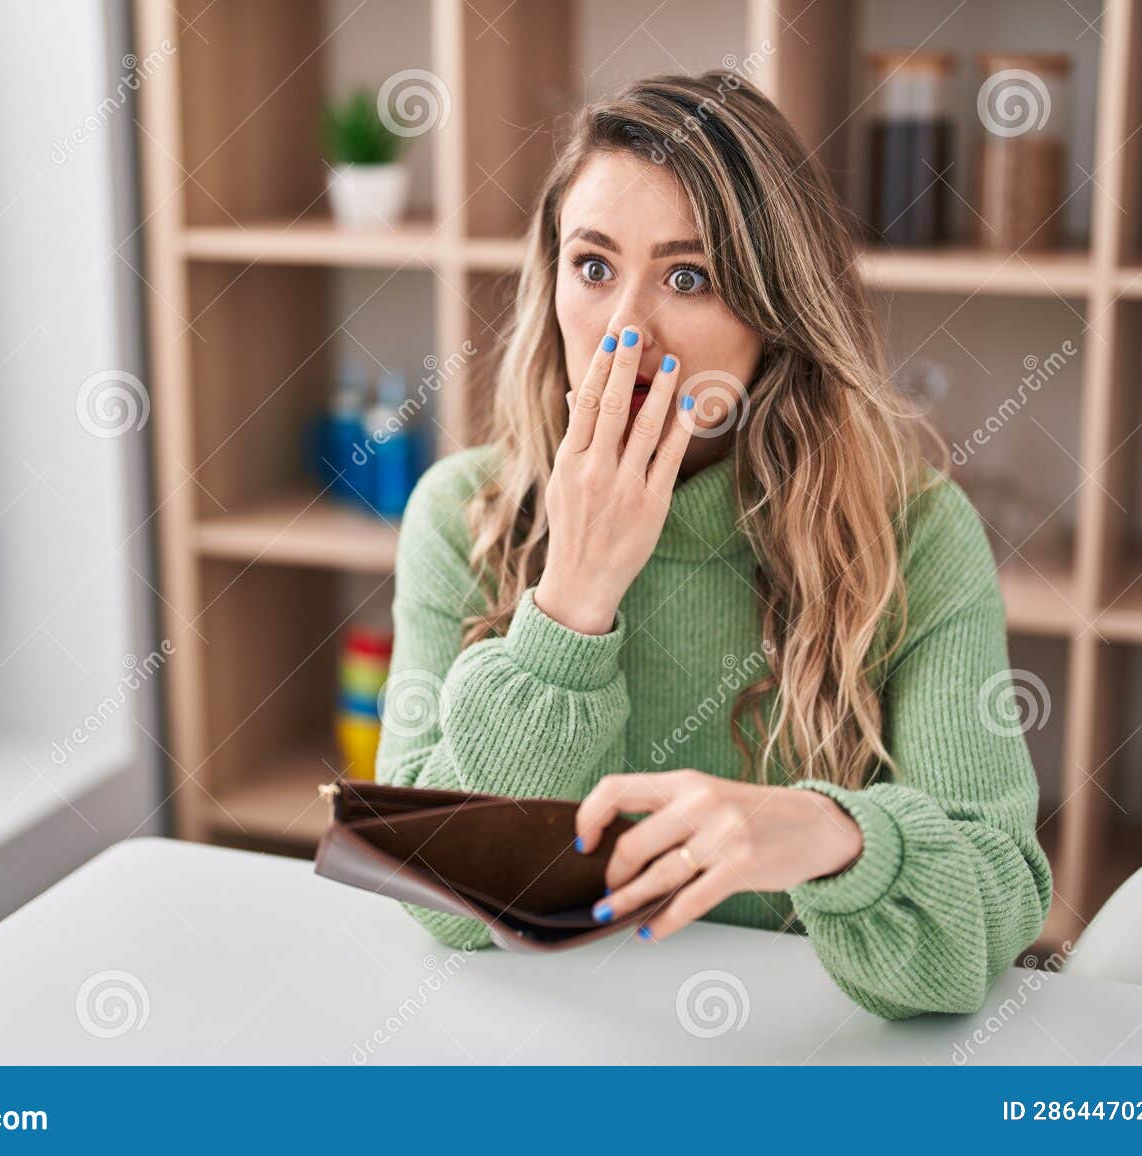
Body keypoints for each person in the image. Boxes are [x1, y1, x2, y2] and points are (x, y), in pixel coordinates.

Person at [375, 72, 1051, 1020]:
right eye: (593, 267)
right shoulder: (461, 513)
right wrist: (572, 598)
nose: (625, 332)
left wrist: (831, 836)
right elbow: (435, 895)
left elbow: (985, 922)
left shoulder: (918, 535)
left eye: (688, 278)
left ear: (779, 311)